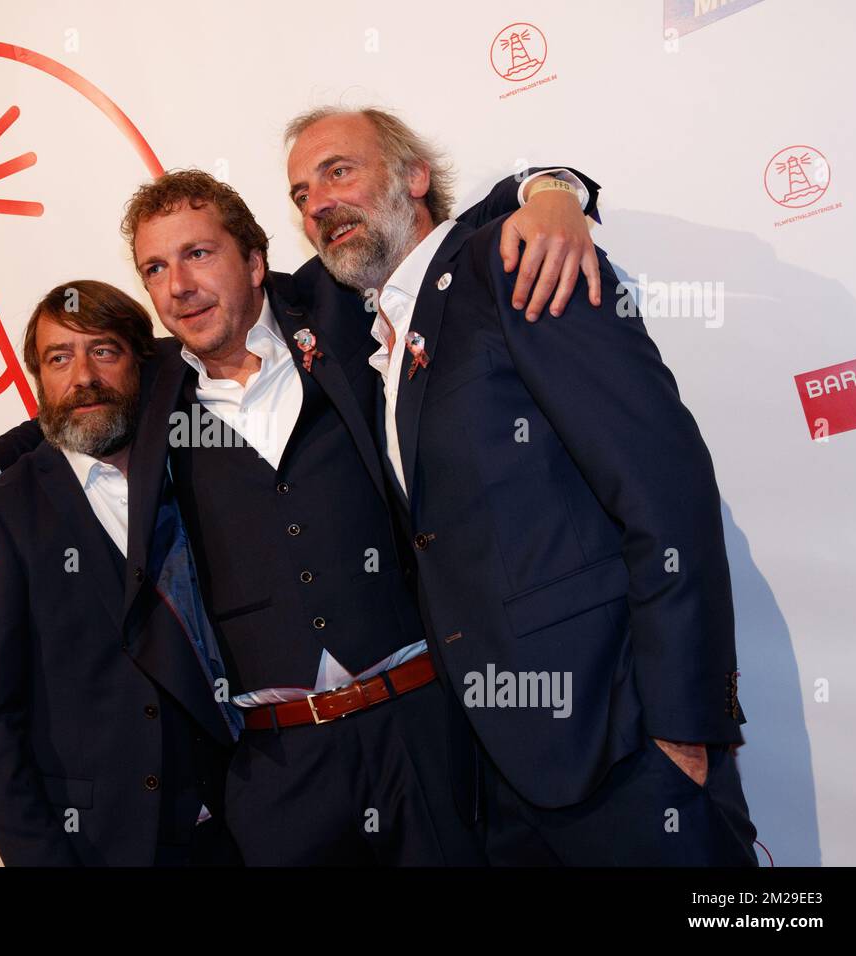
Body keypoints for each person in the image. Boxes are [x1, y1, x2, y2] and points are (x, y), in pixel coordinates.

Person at [0, 164, 602, 864]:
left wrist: (551, 191)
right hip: (277, 772)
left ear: (256, 260)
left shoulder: (336, 309)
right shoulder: (156, 382)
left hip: (423, 729)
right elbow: (70, 407)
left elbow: (440, 238)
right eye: (156, 268)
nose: (179, 285)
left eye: (198, 254)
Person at [284, 106, 758, 865]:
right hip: (504, 778)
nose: (317, 202)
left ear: (414, 176)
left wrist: (686, 721)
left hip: (627, 747)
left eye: (339, 170)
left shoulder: (511, 257)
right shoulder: (374, 341)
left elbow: (664, 485)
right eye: (301, 193)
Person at [0, 280, 241, 866]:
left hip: (254, 820)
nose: (82, 376)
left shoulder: (197, 455)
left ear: (143, 362)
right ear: (38, 379)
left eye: (103, 351)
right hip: (112, 848)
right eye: (59, 358)